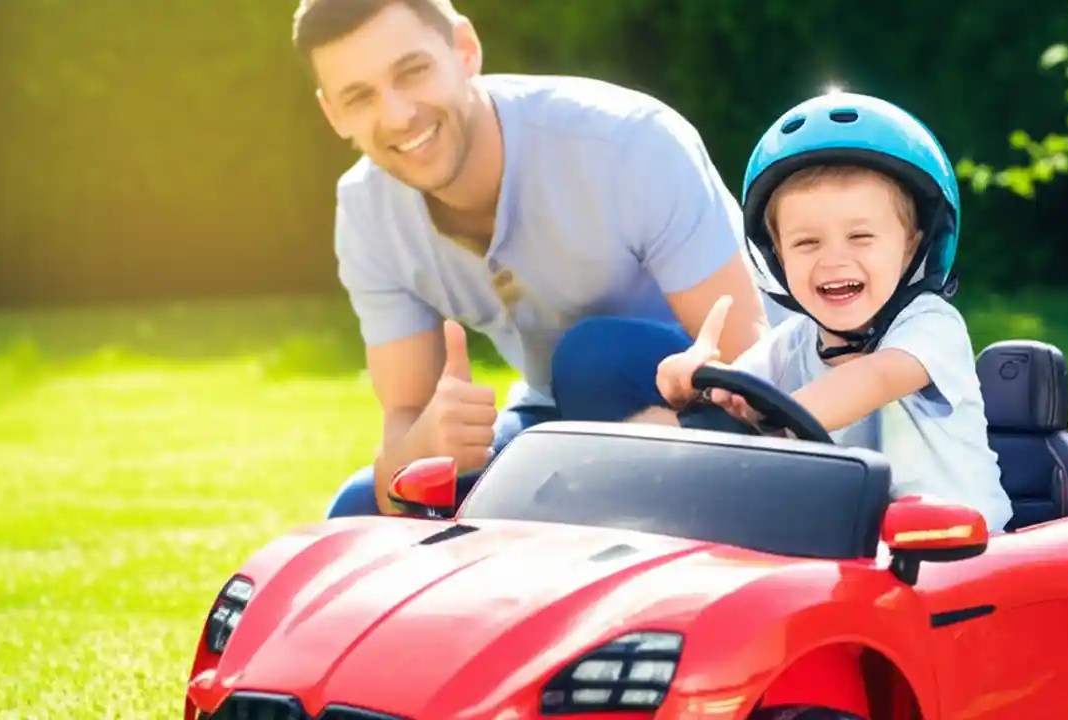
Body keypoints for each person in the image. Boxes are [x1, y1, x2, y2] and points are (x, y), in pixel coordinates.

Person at [293, 0, 786, 516]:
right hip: (557, 419)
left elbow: (754, 373)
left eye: (413, 71)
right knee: (359, 512)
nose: (397, 115)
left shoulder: (627, 143)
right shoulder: (366, 212)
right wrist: (431, 441)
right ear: (334, 114)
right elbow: (403, 430)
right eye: (359, 97)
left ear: (463, 50)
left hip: (720, 411)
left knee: (594, 358)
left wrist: (649, 440)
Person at [652, 91, 1013, 534]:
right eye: (807, 243)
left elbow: (873, 378)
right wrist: (689, 380)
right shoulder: (793, 341)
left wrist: (776, 417)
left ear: (912, 246)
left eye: (860, 237)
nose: (833, 259)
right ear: (777, 256)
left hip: (965, 557)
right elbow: (733, 395)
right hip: (857, 556)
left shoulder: (929, 326)